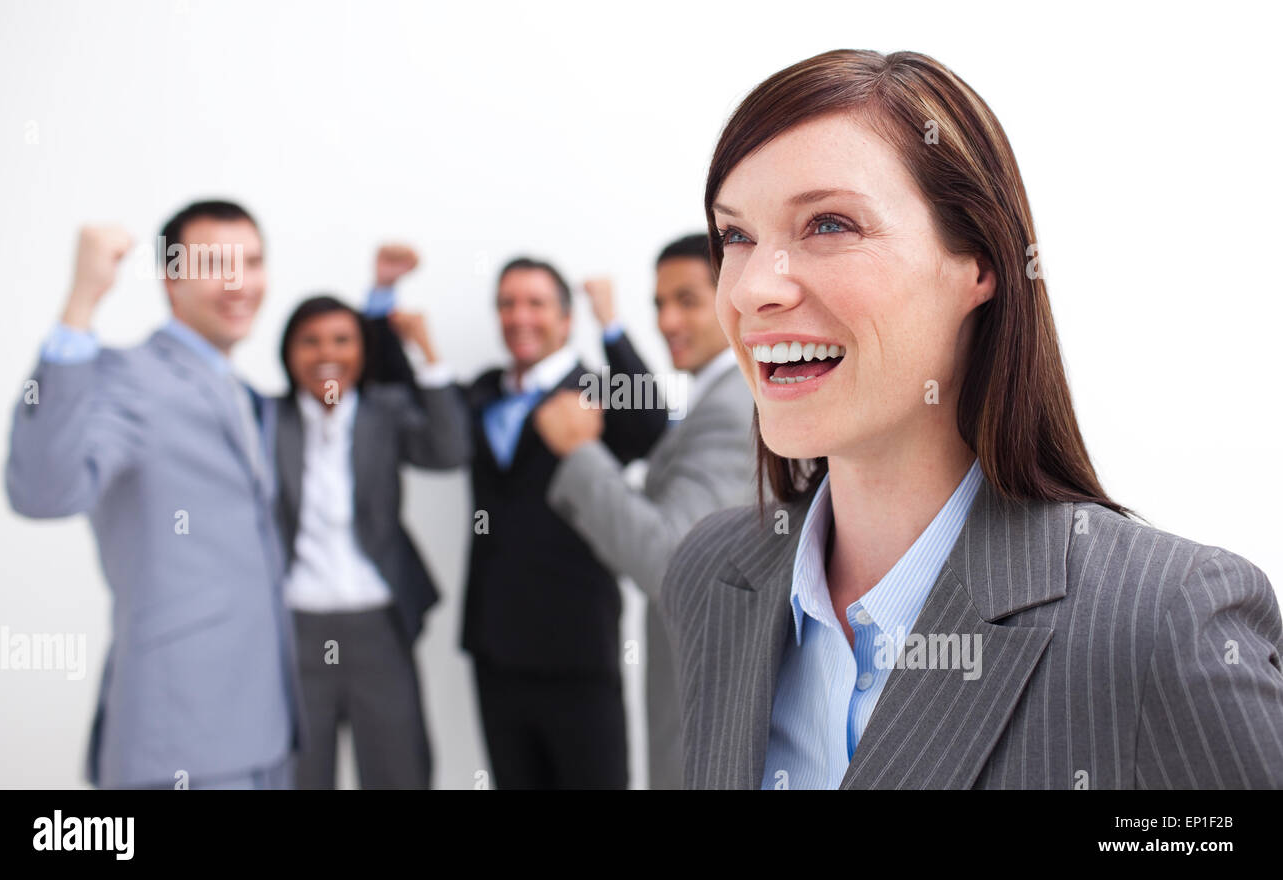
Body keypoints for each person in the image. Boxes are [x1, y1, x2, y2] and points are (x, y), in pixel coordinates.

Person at [662, 50, 1283, 790]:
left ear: (980, 265)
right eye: (735, 236)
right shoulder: (714, 576)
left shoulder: (1166, 620)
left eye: (829, 224)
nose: (755, 287)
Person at [6, 200, 300, 789]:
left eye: (253, 261)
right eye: (218, 263)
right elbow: (43, 490)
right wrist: (79, 307)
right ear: (171, 277)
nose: (240, 282)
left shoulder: (245, 391)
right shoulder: (127, 376)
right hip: (181, 739)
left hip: (268, 730)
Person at [534, 234, 754, 789]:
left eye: (687, 300)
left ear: (735, 297)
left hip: (710, 707)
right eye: (658, 304)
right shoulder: (712, 396)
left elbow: (670, 562)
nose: (667, 321)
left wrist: (580, 452)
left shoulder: (732, 409)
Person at [460, 257, 667, 789]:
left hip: (576, 647)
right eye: (507, 303)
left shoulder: (596, 392)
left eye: (535, 303)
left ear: (565, 319)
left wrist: (612, 326)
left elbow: (651, 425)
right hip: (495, 646)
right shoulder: (484, 390)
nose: (519, 316)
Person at [273, 242, 472, 790]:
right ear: (288, 352)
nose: (326, 353)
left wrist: (426, 352)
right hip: (294, 628)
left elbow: (449, 449)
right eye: (310, 341)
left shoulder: (383, 413)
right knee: (297, 776)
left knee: (398, 771)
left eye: (342, 340)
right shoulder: (270, 420)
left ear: (363, 350)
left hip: (378, 625)